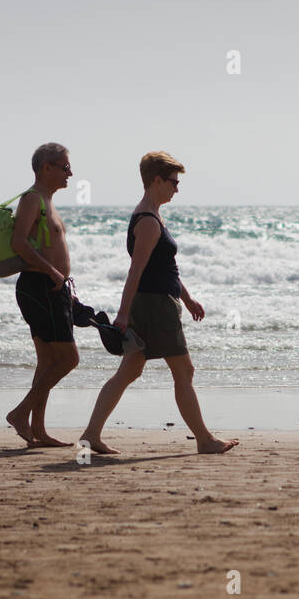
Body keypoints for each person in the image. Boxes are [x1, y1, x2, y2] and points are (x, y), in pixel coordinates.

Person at [80, 151, 238, 456]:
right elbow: (136, 271)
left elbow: (163, 268)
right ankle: (204, 440)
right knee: (184, 370)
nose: (177, 188)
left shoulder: (152, 215)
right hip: (154, 308)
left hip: (155, 303)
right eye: (173, 182)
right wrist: (123, 315)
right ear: (156, 180)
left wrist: (188, 298)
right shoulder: (149, 222)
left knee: (129, 371)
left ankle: (90, 436)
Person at [5, 143, 77, 448]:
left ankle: (39, 430)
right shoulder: (32, 199)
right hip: (40, 287)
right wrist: (51, 271)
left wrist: (61, 280)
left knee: (47, 361)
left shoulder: (47, 200)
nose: (70, 173)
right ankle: (21, 414)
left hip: (52, 287)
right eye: (64, 166)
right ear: (45, 168)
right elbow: (20, 242)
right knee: (69, 359)